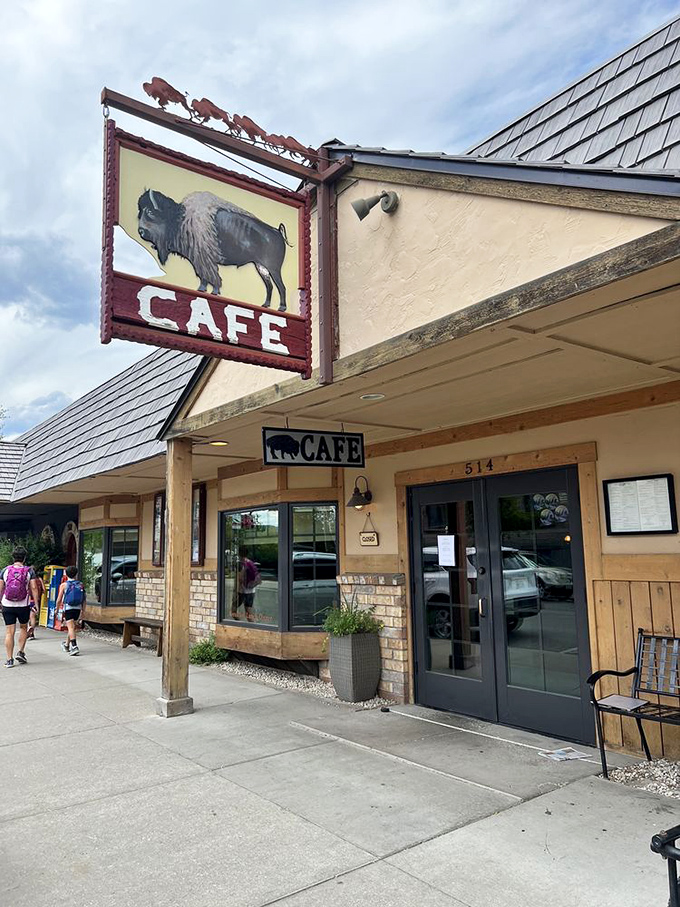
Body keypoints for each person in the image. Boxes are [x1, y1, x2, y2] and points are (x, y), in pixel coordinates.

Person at [0, 546, 40, 667]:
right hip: (23, 605)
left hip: (7, 604)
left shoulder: (5, 570)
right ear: (24, 558)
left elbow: (1, 587)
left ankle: (9, 659)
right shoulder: (29, 571)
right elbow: (33, 588)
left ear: (13, 557)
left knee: (9, 632)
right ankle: (21, 652)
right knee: (23, 627)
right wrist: (36, 604)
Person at [56, 565, 86, 656]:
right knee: (72, 627)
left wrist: (57, 609)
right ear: (76, 574)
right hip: (77, 608)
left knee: (71, 627)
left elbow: (59, 599)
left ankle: (74, 646)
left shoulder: (64, 585)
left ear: (66, 574)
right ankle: (66, 645)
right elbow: (84, 599)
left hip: (68, 608)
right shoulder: (80, 584)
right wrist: (83, 611)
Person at [231, 553, 261, 622]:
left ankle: (239, 621)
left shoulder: (241, 564)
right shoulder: (251, 563)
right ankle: (251, 622)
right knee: (248, 608)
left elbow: (240, 578)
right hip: (251, 590)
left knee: (234, 605)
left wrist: (236, 589)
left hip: (242, 590)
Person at [26, 566, 45, 640]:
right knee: (33, 617)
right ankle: (32, 631)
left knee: (27, 618)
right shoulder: (39, 579)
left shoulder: (28, 579)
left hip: (28, 600)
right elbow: (44, 590)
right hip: (36, 601)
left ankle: (29, 630)